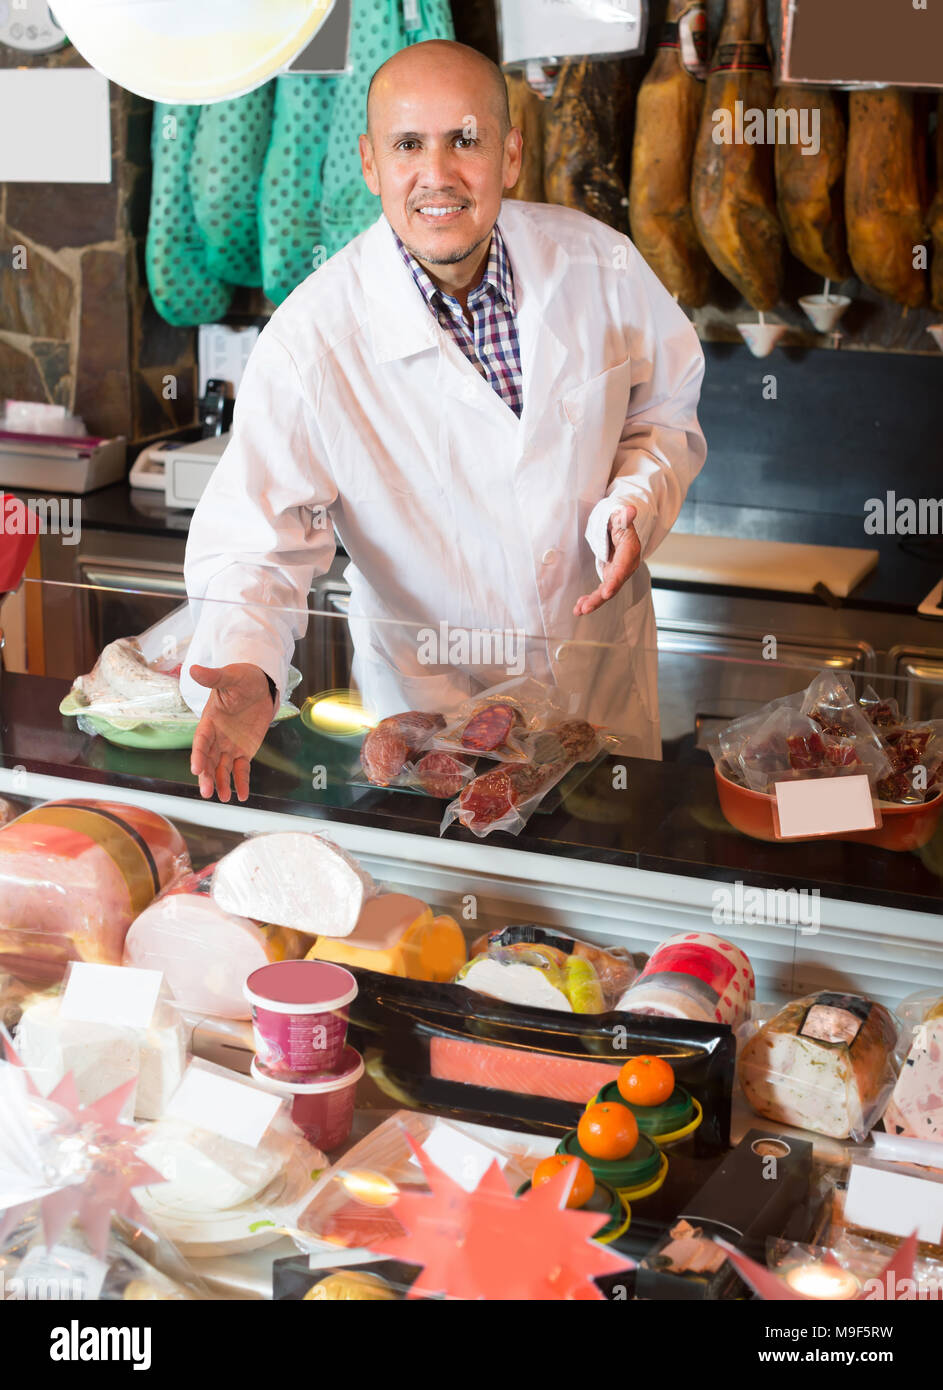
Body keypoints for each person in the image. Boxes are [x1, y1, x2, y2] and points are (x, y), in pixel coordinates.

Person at [182, 39, 707, 802]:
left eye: (464, 140)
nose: (437, 175)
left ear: (510, 154)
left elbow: (660, 415)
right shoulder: (311, 340)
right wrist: (247, 662)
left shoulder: (600, 265)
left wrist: (632, 504)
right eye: (407, 146)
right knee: (453, 902)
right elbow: (258, 540)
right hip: (434, 717)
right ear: (370, 164)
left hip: (598, 687)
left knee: (612, 890)